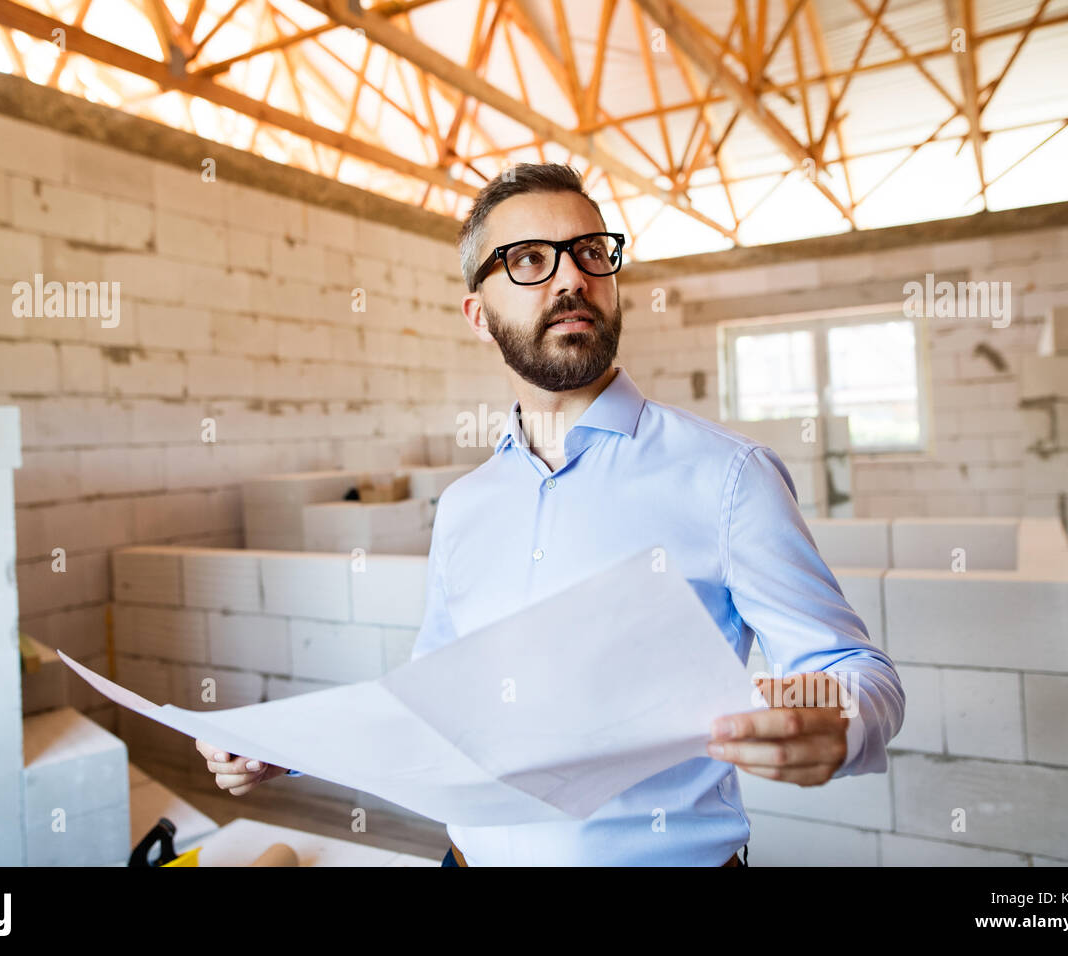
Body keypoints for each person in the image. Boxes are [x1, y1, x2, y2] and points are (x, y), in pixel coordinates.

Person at [198, 162, 905, 866]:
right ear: (478, 315)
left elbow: (852, 668)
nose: (572, 278)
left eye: (590, 252)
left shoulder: (726, 476)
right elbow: (435, 702)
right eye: (531, 259)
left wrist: (841, 719)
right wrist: (287, 748)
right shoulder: (466, 507)